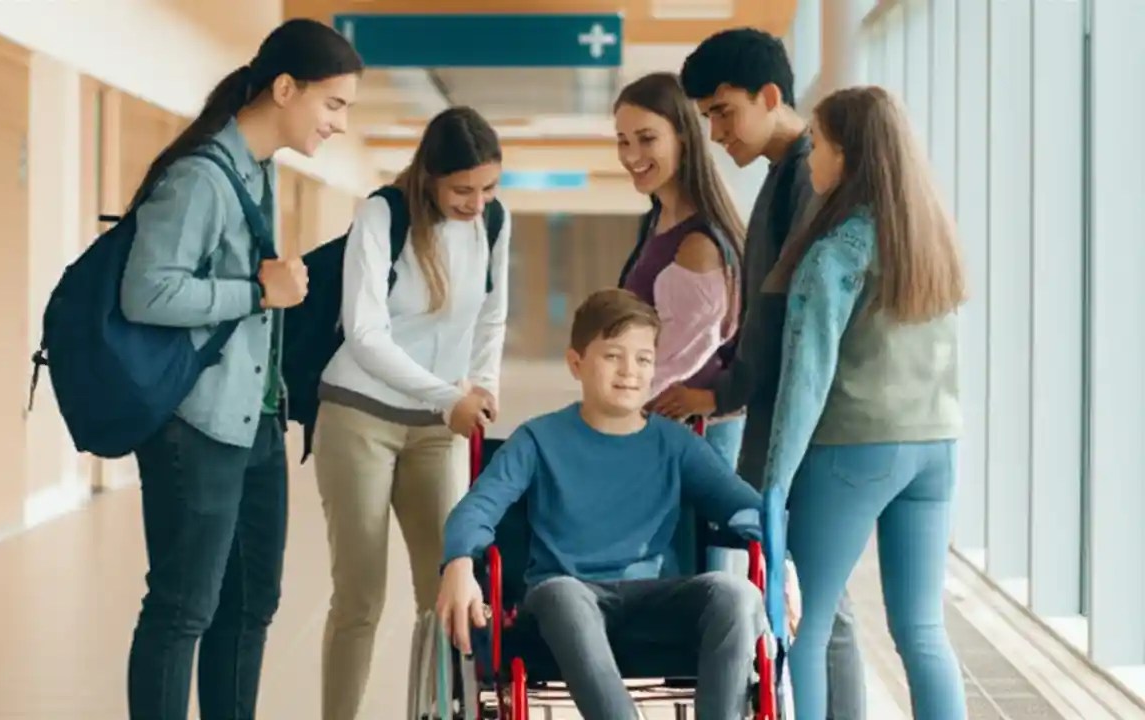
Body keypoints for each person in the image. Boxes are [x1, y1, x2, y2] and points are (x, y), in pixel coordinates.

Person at [117, 18, 362, 720]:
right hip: (193, 423)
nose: (339, 123)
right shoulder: (199, 177)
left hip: (252, 418)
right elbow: (148, 289)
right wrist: (258, 290)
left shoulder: (257, 170)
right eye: (334, 104)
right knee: (183, 607)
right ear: (286, 88)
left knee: (252, 602)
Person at [437, 288, 766, 720]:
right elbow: (477, 508)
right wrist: (460, 562)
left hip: (654, 602)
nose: (630, 371)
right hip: (564, 605)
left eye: (643, 358)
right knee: (564, 594)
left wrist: (785, 566)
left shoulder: (677, 445)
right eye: (613, 356)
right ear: (577, 363)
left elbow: (750, 509)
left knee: (736, 592)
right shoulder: (538, 440)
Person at [673, 27, 869, 718]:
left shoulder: (810, 181)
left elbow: (793, 330)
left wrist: (723, 388)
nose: (717, 131)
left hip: (810, 428)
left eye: (723, 111)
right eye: (706, 118)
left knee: (820, 603)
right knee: (818, 600)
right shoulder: (782, 180)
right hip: (792, 421)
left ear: (770, 96)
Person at [762, 85, 968, 720]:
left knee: (806, 623)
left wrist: (774, 484)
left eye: (817, 144)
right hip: (935, 450)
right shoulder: (927, 241)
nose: (810, 158)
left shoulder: (838, 251)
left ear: (847, 155)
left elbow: (806, 381)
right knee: (922, 630)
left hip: (853, 450)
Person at [314, 106, 511, 720]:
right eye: (462, 189)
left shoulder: (496, 222)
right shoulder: (382, 214)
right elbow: (364, 334)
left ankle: (441, 711)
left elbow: (491, 315)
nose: (477, 202)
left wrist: (479, 387)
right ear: (430, 176)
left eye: (488, 188)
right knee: (360, 596)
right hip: (358, 417)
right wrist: (448, 396)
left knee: (447, 591)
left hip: (438, 429)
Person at [612, 71, 747, 474]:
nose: (632, 155)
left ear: (684, 137)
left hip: (692, 435)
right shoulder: (656, 224)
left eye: (647, 138)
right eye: (623, 141)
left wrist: (605, 408)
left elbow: (676, 358)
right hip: (665, 428)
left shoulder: (698, 244)